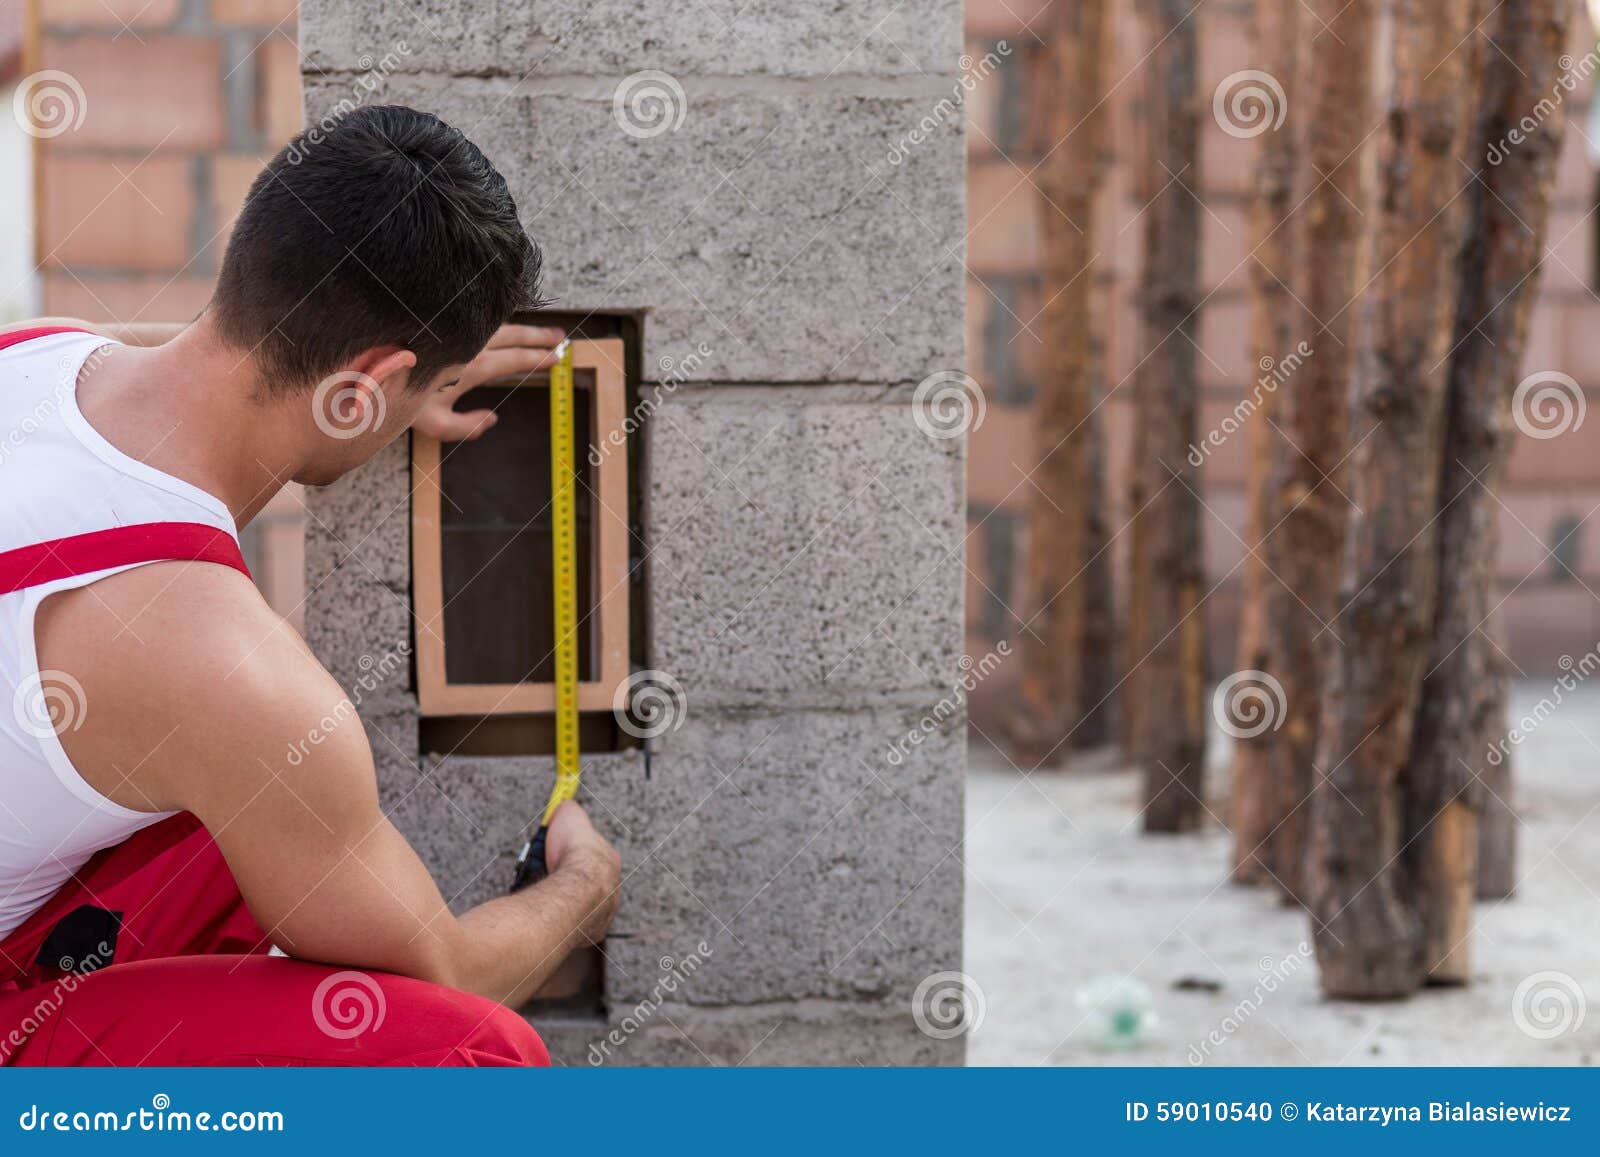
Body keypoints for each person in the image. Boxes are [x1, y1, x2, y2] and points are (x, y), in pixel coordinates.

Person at [0, 105, 621, 1066]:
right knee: (474, 1053)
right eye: (425, 385)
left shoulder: (32, 354)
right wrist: (583, 888)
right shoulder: (223, 667)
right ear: (369, 384)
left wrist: (375, 392)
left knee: (257, 830)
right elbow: (451, 969)